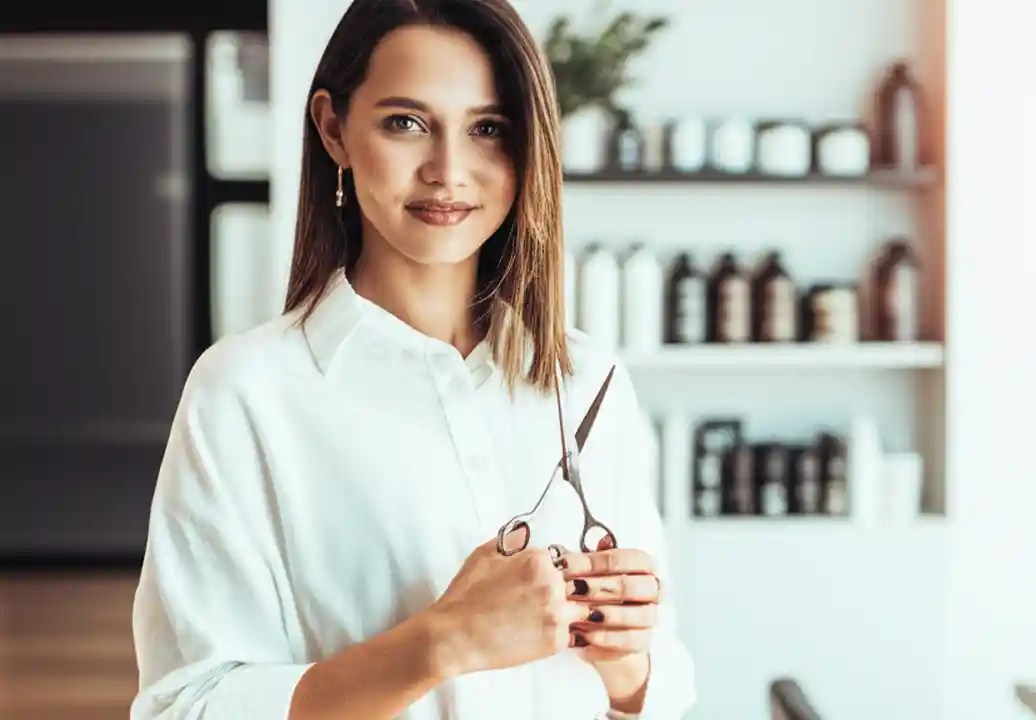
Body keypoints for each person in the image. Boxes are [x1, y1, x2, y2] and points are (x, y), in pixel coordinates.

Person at [129, 1, 695, 718]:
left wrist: (627, 665)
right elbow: (186, 706)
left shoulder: (588, 381)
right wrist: (440, 643)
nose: (448, 170)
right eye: (406, 123)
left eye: (488, 129)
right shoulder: (247, 394)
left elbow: (662, 689)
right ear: (334, 129)